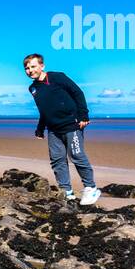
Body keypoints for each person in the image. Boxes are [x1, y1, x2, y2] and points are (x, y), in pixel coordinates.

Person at [23, 54, 101, 206]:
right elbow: (44, 109)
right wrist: (40, 128)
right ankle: (67, 192)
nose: (30, 70)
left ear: (42, 66)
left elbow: (78, 93)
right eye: (27, 68)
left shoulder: (57, 77)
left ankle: (91, 188)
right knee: (57, 160)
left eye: (33, 66)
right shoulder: (33, 88)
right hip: (53, 129)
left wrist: (83, 115)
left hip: (72, 125)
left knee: (77, 156)